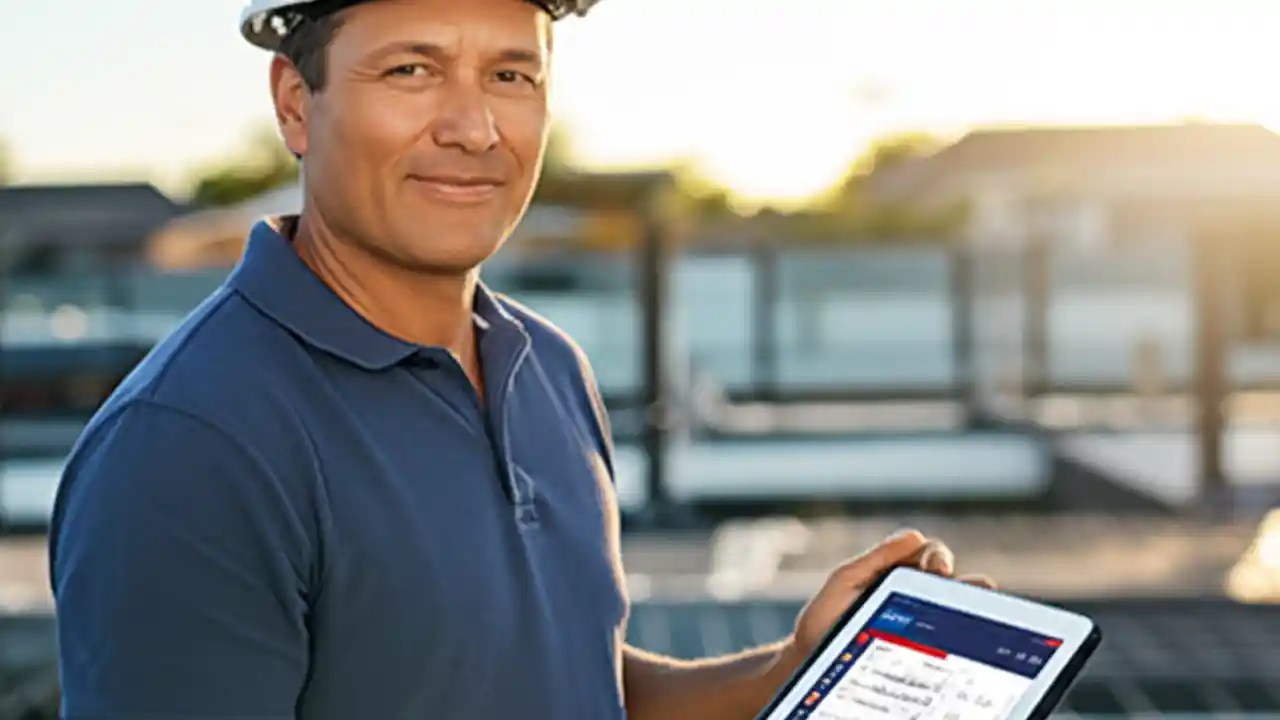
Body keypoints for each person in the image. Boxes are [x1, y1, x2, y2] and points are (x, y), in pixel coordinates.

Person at [49, 0, 995, 717]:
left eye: (512, 76)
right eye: (413, 70)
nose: (474, 128)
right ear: (298, 104)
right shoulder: (187, 446)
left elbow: (574, 683)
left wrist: (799, 671)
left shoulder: (547, 367)